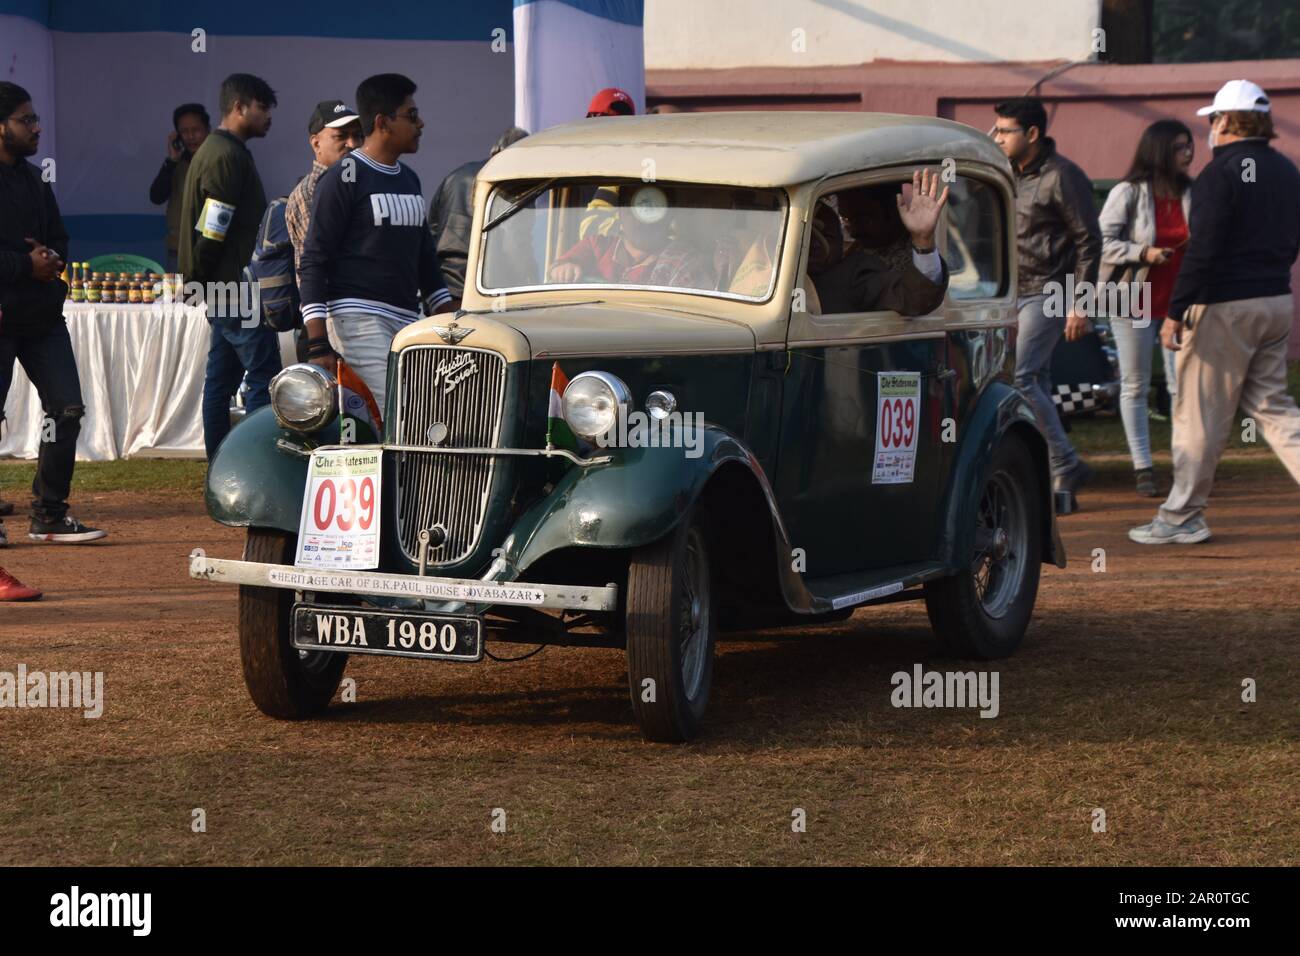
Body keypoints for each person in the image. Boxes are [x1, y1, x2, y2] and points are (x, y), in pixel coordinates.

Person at [1130, 80, 1300, 545]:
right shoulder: (1287, 170)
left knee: (1199, 414)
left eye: (1212, 120)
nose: (1209, 128)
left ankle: (1182, 516)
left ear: (1225, 121)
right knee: (1273, 410)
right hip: (1275, 301)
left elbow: (1203, 250)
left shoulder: (1219, 175)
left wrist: (1175, 311)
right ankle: (1183, 514)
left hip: (1225, 307)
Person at [298, 73, 456, 411]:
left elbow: (426, 263)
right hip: (357, 318)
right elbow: (313, 259)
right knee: (402, 415)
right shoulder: (343, 177)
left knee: (423, 415)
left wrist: (455, 323)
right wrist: (317, 345)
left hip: (409, 320)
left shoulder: (410, 178)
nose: (421, 123)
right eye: (411, 115)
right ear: (383, 122)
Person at [0, 81, 106, 545]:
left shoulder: (33, 179)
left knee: (66, 409)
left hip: (42, 319)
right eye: (26, 120)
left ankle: (48, 514)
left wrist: (52, 260)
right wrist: (26, 263)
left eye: (34, 118)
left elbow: (59, 239)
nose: (36, 127)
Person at [992, 96, 1101, 500]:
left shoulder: (1063, 176)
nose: (998, 137)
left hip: (1052, 291)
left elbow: (1089, 240)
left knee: (1022, 376)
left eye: (1006, 130)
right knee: (1035, 378)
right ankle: (1055, 467)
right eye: (997, 130)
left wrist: (1080, 304)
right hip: (1011, 291)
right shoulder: (1006, 173)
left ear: (1033, 133)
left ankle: (1065, 464)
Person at [179, 73, 280, 460]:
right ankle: (257, 467)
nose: (268, 116)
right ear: (240, 108)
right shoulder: (225, 155)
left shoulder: (220, 150)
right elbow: (213, 228)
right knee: (262, 377)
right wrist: (200, 282)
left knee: (220, 382)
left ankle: (220, 466)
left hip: (225, 287)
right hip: (235, 288)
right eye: (263, 107)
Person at [1099, 120, 1193, 497]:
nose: (1189, 153)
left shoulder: (1193, 192)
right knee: (1135, 385)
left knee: (1180, 387)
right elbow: (1102, 241)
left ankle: (1185, 465)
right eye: (1180, 147)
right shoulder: (1129, 192)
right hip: (1133, 299)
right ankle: (1143, 468)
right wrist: (1143, 252)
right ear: (1159, 151)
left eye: (1189, 146)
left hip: (1179, 304)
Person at [811, 169, 950, 316]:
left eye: (864, 219)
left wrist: (923, 238)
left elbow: (916, 299)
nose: (854, 231)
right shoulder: (857, 250)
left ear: (894, 211)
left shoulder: (860, 269)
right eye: (846, 220)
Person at [549, 184, 713, 290]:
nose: (642, 220)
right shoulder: (596, 245)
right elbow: (560, 268)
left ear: (669, 216)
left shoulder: (684, 262)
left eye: (653, 210)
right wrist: (565, 269)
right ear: (620, 213)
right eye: (634, 208)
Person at [427, 126, 527, 297]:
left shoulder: (455, 176)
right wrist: (528, 282)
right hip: (482, 292)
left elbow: (432, 232)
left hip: (443, 290)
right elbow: (515, 245)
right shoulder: (512, 185)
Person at [285, 100, 362, 273]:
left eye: (358, 135)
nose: (353, 144)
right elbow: (321, 263)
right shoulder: (308, 193)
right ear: (316, 143)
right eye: (341, 136)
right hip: (329, 299)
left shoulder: (360, 182)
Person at [148, 103, 211, 273]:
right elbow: (156, 197)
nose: (190, 136)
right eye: (184, 131)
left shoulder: (218, 161)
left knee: (209, 299)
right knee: (178, 299)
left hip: (211, 253)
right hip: (177, 251)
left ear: (208, 130)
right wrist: (172, 161)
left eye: (195, 130)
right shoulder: (176, 163)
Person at [579, 87, 636, 239]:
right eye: (608, 122)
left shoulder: (635, 172)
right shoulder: (571, 171)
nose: (616, 134)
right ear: (591, 120)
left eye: (624, 125)